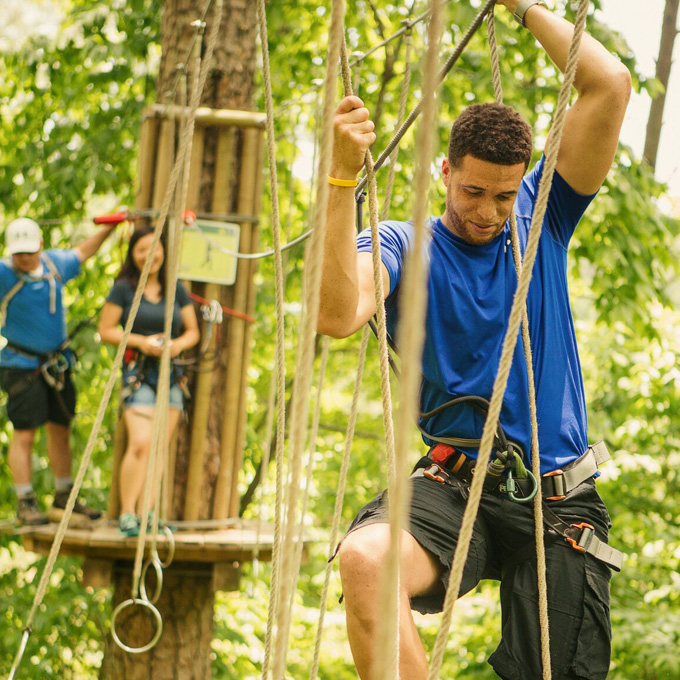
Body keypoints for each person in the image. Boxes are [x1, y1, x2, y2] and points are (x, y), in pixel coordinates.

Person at [317, 2, 632, 679]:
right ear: (445, 173)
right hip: (456, 483)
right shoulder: (408, 246)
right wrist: (341, 178)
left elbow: (608, 85)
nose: (488, 212)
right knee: (366, 562)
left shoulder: (541, 215)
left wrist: (523, 7)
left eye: (502, 195)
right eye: (472, 191)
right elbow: (338, 314)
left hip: (558, 497)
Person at [1, 217, 120, 526]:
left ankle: (64, 496)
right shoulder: (3, 273)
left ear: (40, 246)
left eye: (28, 252)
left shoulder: (55, 265)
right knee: (24, 434)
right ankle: (26, 501)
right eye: (18, 254)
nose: (24, 259)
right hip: (20, 366)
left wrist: (114, 225)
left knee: (60, 429)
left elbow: (85, 250)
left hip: (58, 364)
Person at [98, 226, 199, 537]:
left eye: (154, 249)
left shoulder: (176, 289)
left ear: (163, 252)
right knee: (141, 442)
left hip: (170, 374)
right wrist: (142, 343)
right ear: (133, 255)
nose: (149, 256)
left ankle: (148, 512)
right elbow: (106, 330)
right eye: (141, 249)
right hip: (138, 372)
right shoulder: (124, 289)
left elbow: (192, 331)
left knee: (158, 447)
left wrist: (175, 346)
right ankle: (128, 513)